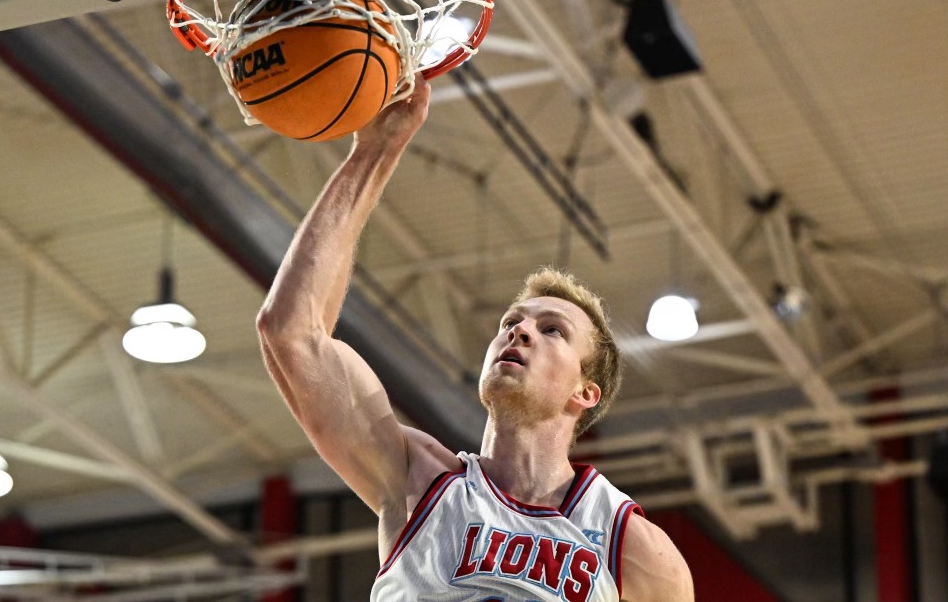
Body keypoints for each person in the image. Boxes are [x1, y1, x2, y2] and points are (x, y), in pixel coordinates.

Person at [256, 77, 694, 601]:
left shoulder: (636, 549)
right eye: (512, 322)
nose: (520, 331)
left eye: (552, 330)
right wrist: (373, 151)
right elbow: (291, 332)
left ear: (585, 392)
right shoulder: (418, 479)